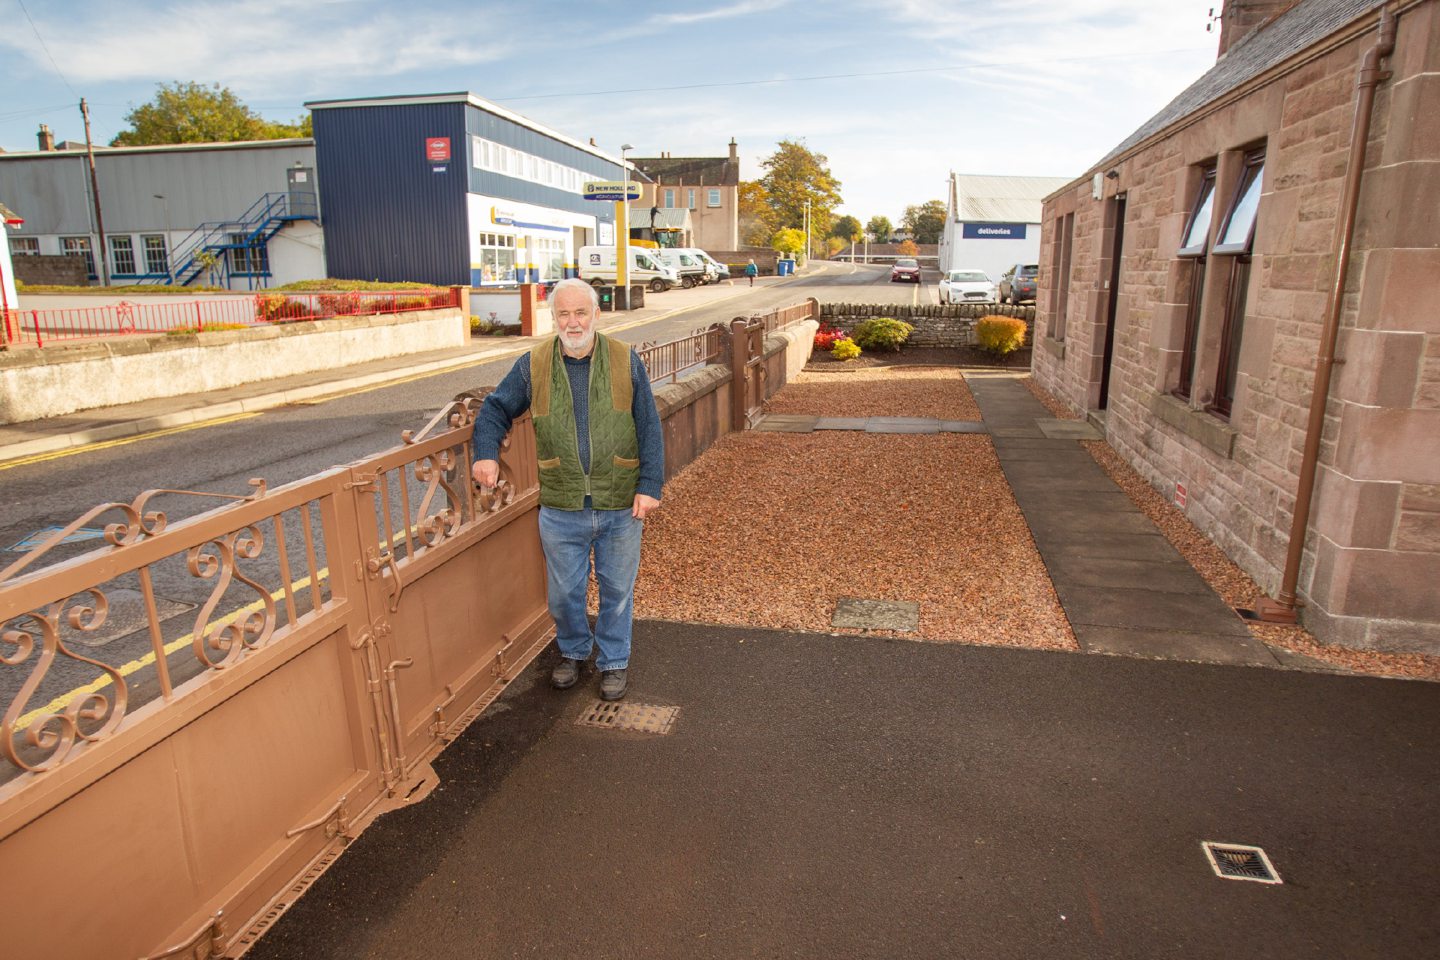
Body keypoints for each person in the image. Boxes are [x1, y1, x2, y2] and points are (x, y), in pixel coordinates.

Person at [471, 278, 663, 702]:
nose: (572, 322)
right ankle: (573, 651)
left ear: (596, 314)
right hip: (561, 503)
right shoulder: (533, 364)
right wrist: (484, 452)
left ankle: (613, 661)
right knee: (564, 594)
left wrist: (650, 485)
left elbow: (649, 425)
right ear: (553, 317)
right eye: (563, 313)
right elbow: (494, 408)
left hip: (619, 502)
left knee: (616, 591)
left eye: (581, 313)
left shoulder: (625, 359)